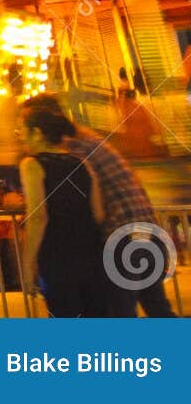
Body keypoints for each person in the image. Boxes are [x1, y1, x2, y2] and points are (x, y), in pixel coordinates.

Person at [21, 94, 175, 317]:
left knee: (119, 316)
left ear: (41, 125)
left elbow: (73, 205)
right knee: (158, 310)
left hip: (120, 236)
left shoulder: (70, 150)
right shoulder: (89, 139)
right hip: (146, 230)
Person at [19, 107, 111, 317]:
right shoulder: (82, 163)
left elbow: (38, 218)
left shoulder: (32, 165)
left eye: (22, 130)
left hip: (58, 260)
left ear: (38, 133)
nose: (20, 136)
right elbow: (98, 214)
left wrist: (27, 264)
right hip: (93, 258)